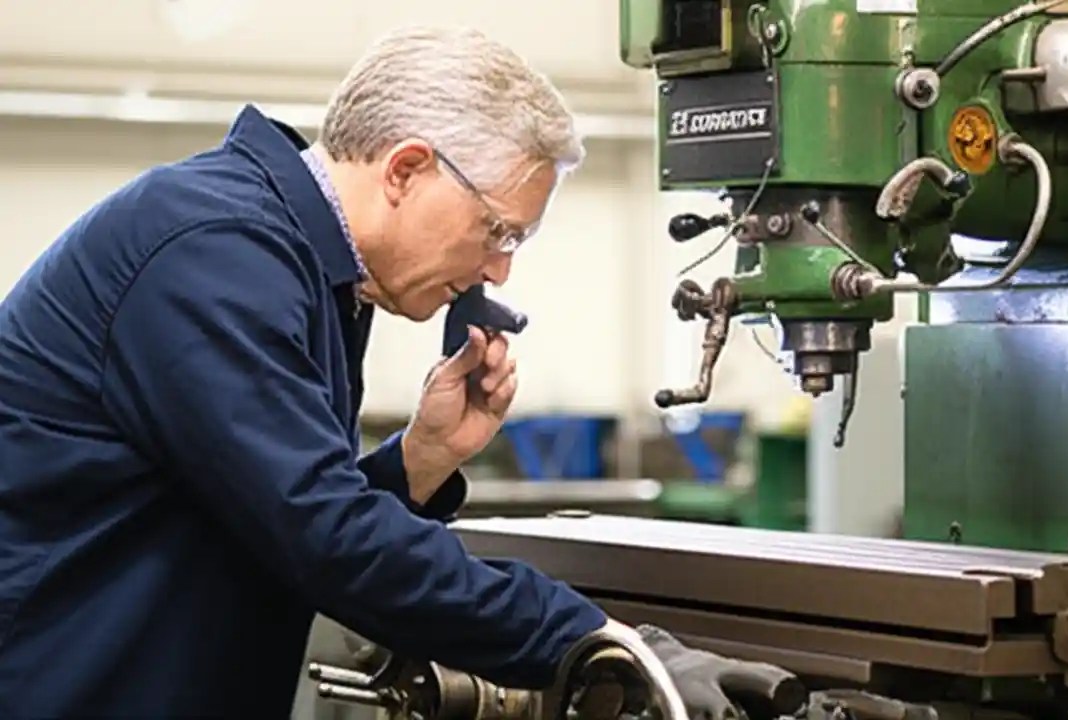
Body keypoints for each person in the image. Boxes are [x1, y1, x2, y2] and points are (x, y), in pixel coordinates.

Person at [0, 25, 797, 719]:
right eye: (499, 232)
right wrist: (592, 638)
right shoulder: (214, 252)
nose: (498, 270)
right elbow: (324, 538)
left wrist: (420, 459)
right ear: (406, 169)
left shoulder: (306, 270)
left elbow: (261, 524)